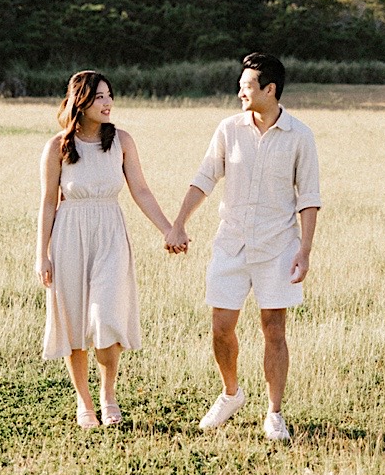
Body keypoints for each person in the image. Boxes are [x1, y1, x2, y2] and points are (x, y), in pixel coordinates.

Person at [165, 52, 321, 442]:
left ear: (270, 89)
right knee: (221, 327)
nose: (240, 92)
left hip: (278, 247)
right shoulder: (228, 129)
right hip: (231, 243)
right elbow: (205, 177)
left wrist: (304, 251)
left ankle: (274, 413)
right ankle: (231, 394)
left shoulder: (300, 135)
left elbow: (309, 197)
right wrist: (179, 222)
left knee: (274, 329)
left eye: (247, 86)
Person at [36, 70, 178, 429]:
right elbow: (47, 203)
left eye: (109, 95)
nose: (108, 102)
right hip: (69, 234)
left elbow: (141, 190)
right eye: (100, 97)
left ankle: (108, 394)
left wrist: (168, 228)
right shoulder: (57, 147)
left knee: (106, 316)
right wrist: (42, 254)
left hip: (111, 233)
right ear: (80, 101)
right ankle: (84, 402)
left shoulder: (123, 141)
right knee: (74, 319)